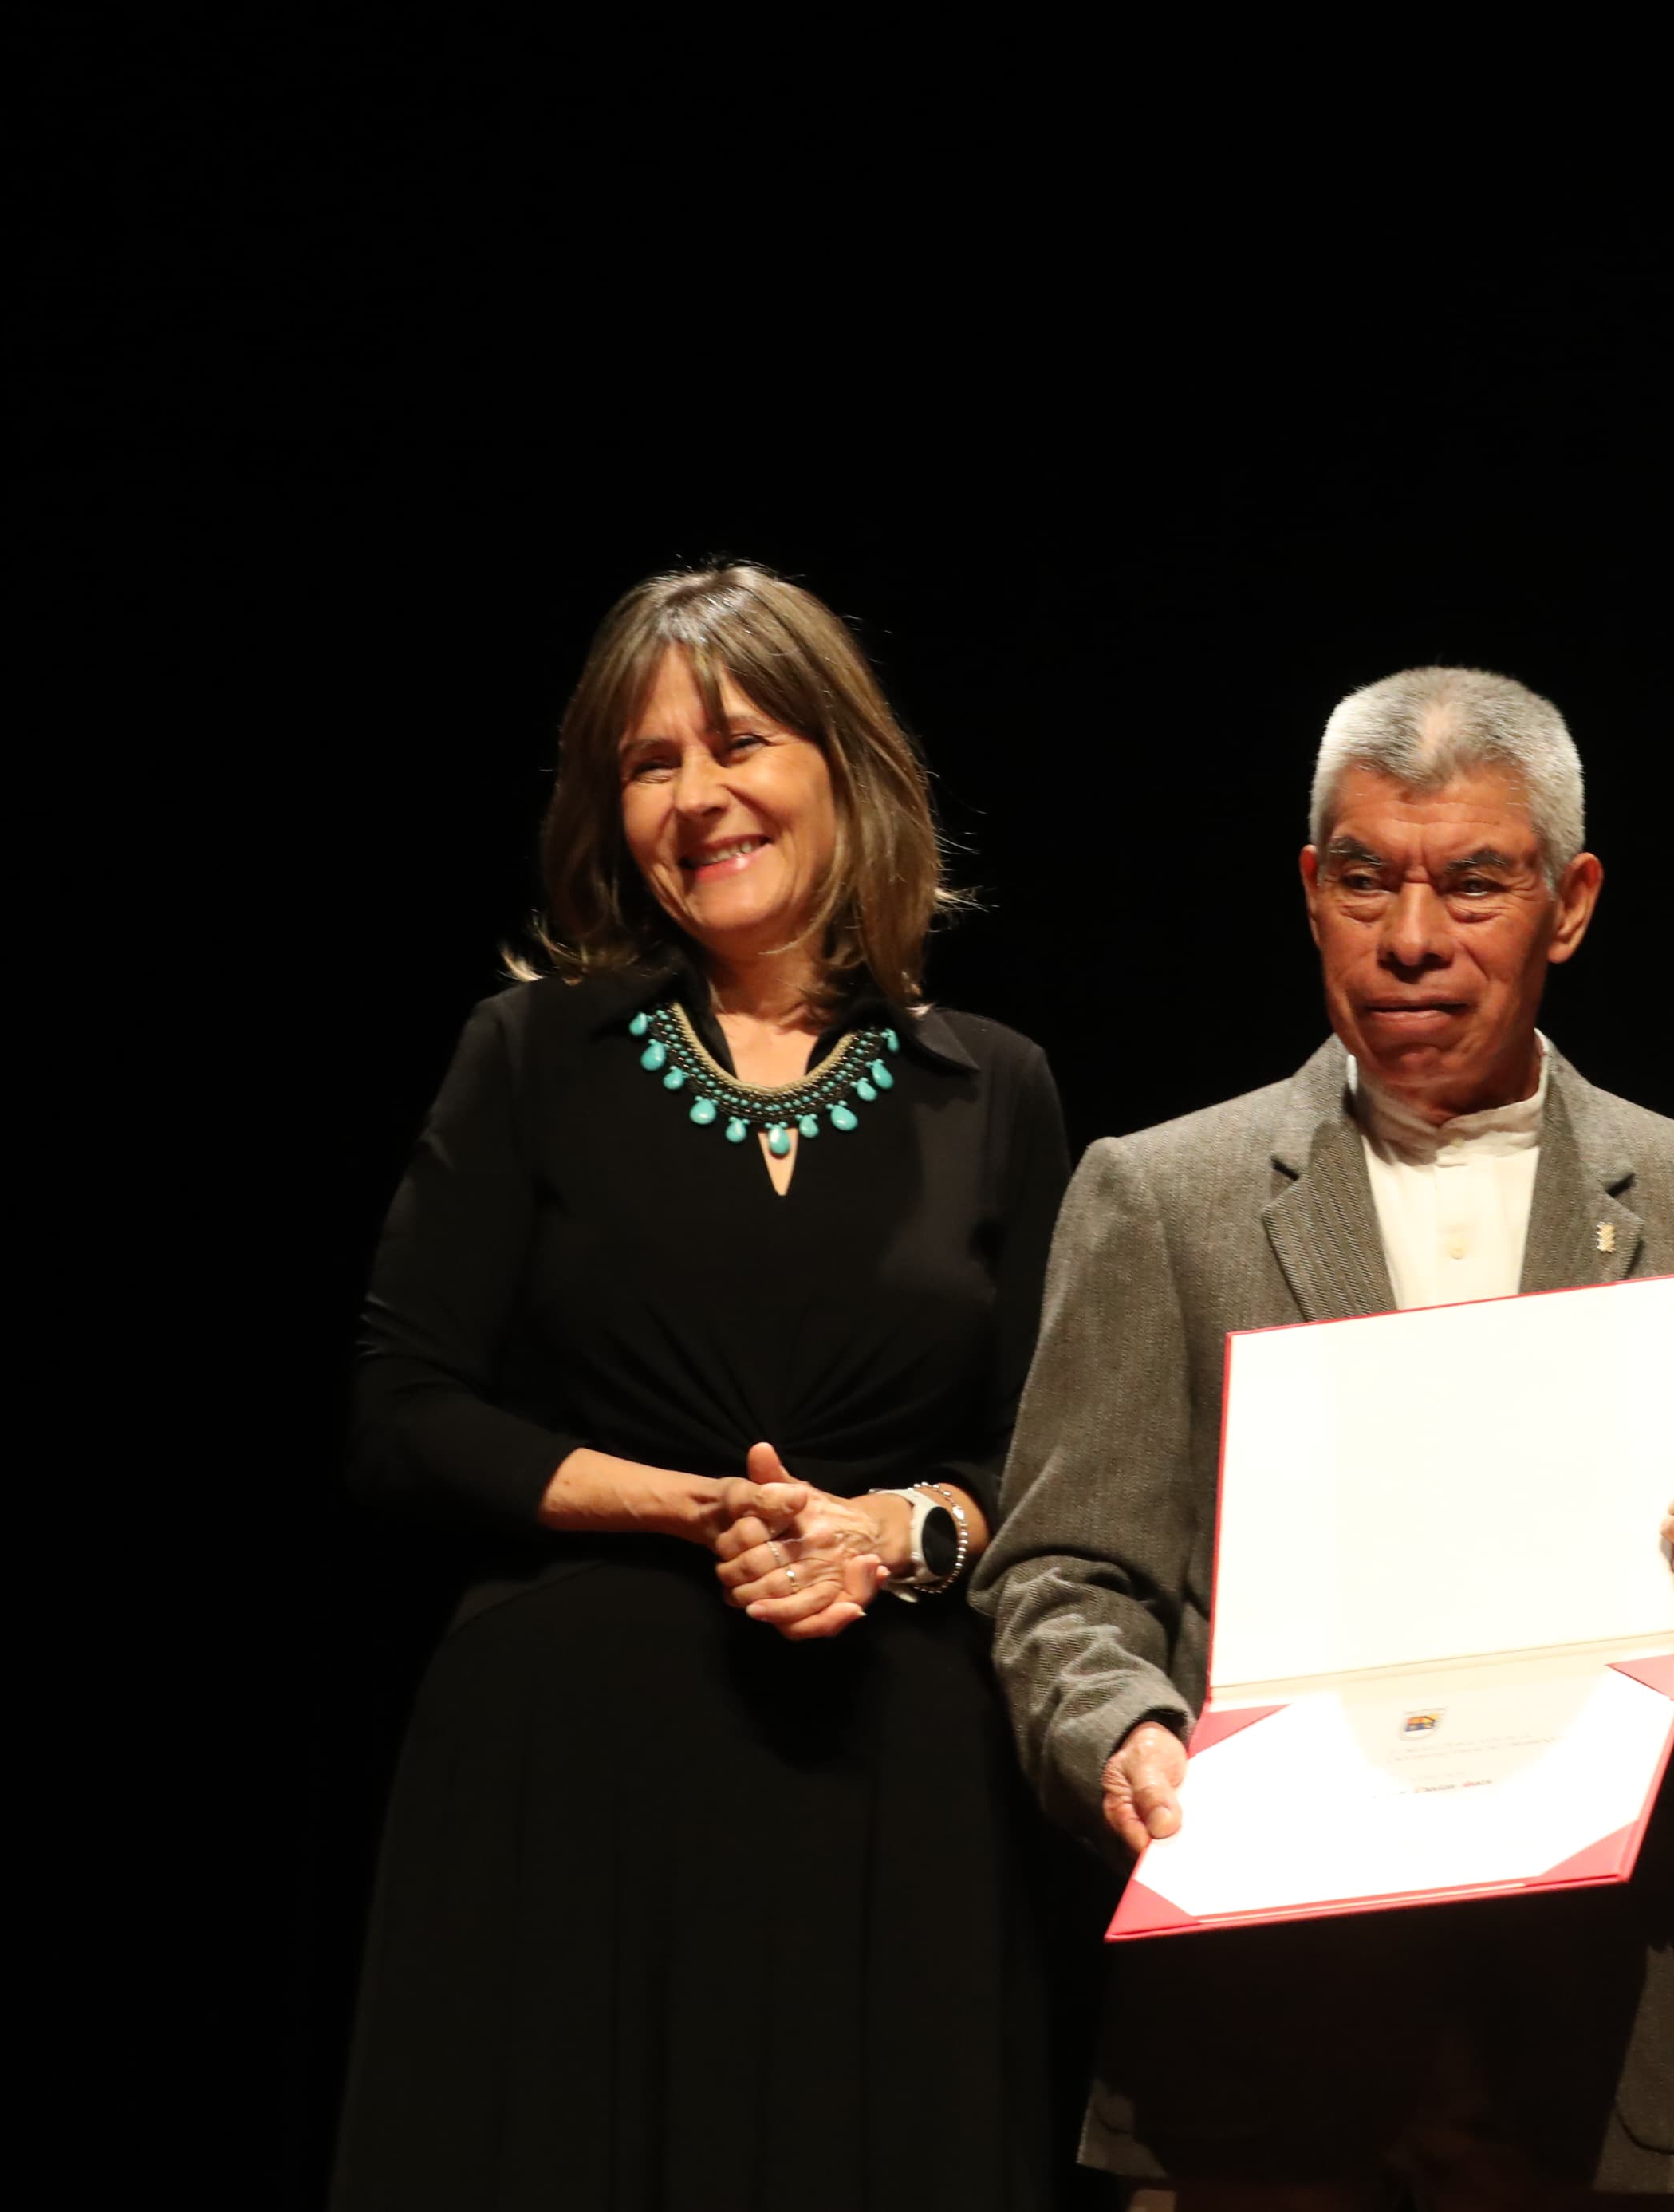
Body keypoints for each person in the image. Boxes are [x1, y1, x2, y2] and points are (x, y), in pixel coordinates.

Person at [978, 667, 1674, 2210]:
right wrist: (1118, 1728)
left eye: (1474, 883)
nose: (1411, 940)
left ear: (1570, 903)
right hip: (1251, 2061)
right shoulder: (1163, 1198)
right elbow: (1062, 1574)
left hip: (1594, 2055)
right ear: (1309, 893)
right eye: (1364, 880)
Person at [335, 564, 1073, 2210]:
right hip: (569, 1784)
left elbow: (1044, 1463)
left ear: (842, 768)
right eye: (648, 760)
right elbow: (402, 1407)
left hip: (892, 1779)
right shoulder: (530, 1055)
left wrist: (884, 1530)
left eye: (739, 741)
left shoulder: (993, 1088)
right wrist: (696, 1508)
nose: (697, 794)